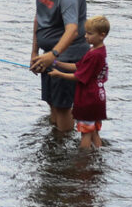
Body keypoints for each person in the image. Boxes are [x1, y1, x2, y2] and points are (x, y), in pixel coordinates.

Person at [28, 0, 88, 133]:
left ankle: (63, 148)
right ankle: (54, 146)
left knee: (62, 107)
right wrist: (35, 53)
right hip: (48, 54)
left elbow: (72, 30)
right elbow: (39, 18)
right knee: (51, 103)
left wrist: (53, 55)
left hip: (68, 54)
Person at [47, 15, 110, 149]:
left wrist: (59, 74)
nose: (86, 36)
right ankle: (97, 155)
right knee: (94, 131)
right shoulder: (99, 51)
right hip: (98, 97)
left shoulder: (94, 55)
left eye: (90, 33)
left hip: (88, 99)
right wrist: (57, 63)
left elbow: (78, 76)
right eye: (86, 32)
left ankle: (83, 160)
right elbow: (78, 66)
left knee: (85, 134)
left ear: (102, 35)